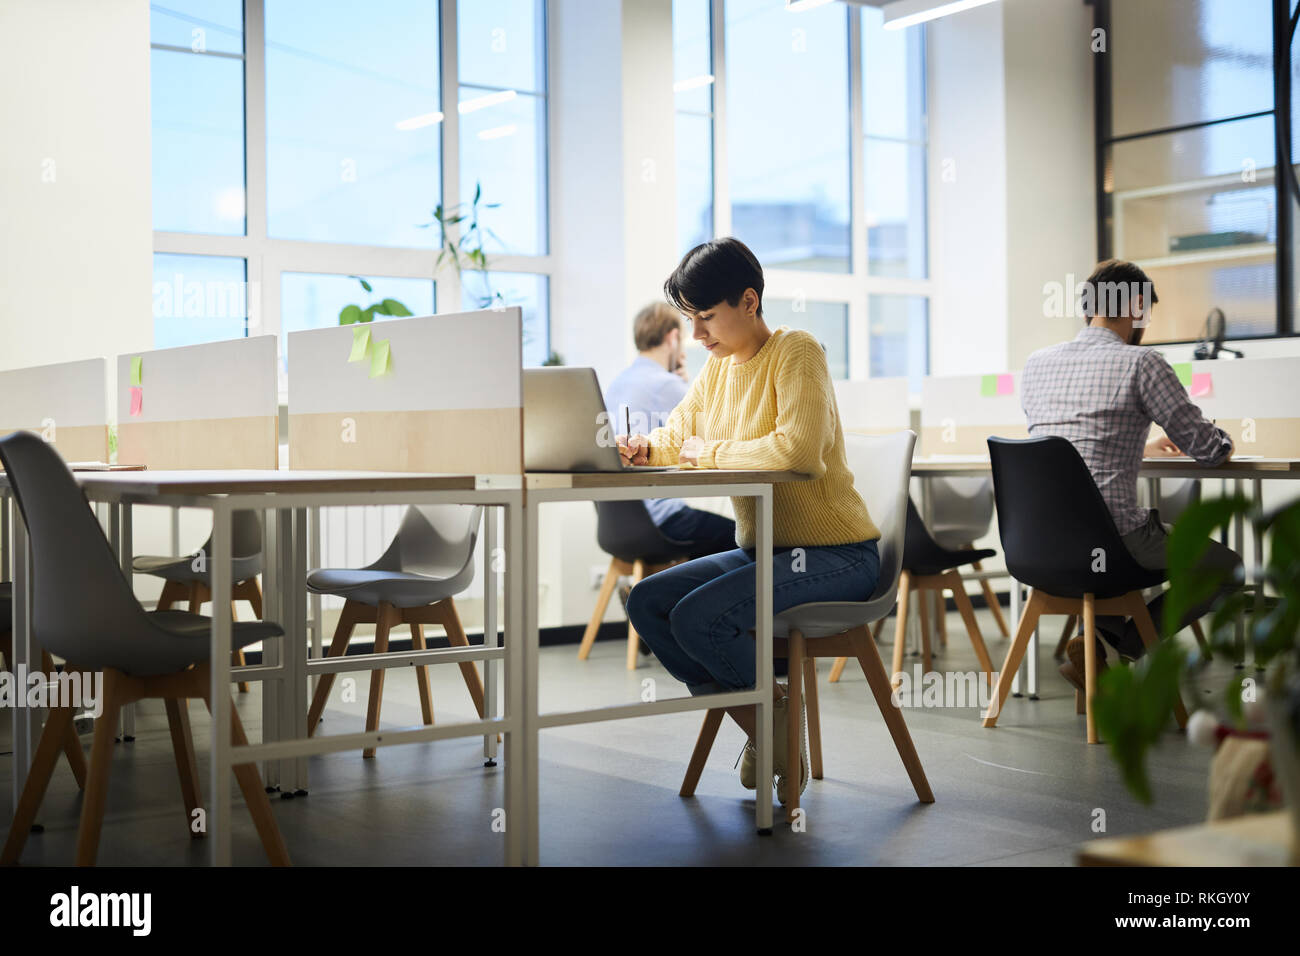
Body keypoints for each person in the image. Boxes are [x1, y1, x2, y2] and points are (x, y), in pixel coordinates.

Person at [619, 237, 881, 802]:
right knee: (647, 601)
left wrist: (704, 452)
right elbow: (678, 433)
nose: (697, 336)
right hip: (765, 550)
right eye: (691, 321)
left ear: (749, 301)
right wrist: (648, 447)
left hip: (839, 555)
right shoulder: (717, 370)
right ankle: (772, 720)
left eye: (707, 318)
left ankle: (770, 722)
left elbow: (796, 453)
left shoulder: (797, 351)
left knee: (698, 619)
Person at [1020, 258, 1242, 693]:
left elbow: (1067, 448)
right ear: (1136, 305)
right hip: (1111, 541)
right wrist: (1229, 440)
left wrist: (1138, 448)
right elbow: (1207, 449)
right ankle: (1121, 644)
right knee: (1226, 568)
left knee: (1100, 549)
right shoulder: (1143, 363)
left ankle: (1096, 650)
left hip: (1039, 544)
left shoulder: (1037, 364)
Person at [605, 302, 737, 558]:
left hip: (617, 526)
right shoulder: (667, 384)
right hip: (661, 520)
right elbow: (713, 433)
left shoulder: (618, 382)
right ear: (673, 337)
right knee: (741, 538)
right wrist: (683, 386)